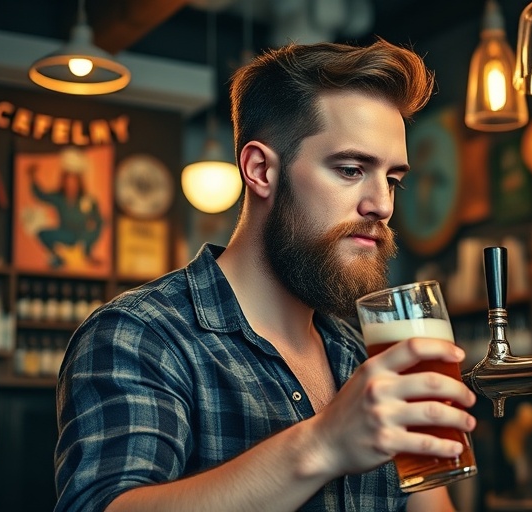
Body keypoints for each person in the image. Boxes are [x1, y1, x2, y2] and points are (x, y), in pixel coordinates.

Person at [55, 39, 476, 512]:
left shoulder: (362, 357)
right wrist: (324, 444)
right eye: (352, 169)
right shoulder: (140, 335)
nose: (381, 204)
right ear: (260, 170)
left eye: (392, 180)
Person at [28, 147, 104, 268]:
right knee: (42, 233)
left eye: (74, 181)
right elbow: (41, 195)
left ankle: (87, 254)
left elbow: (99, 221)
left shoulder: (88, 200)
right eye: (68, 181)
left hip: (82, 236)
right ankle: (57, 257)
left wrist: (88, 242)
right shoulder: (59, 198)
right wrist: (32, 178)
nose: (70, 185)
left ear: (79, 182)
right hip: (65, 234)